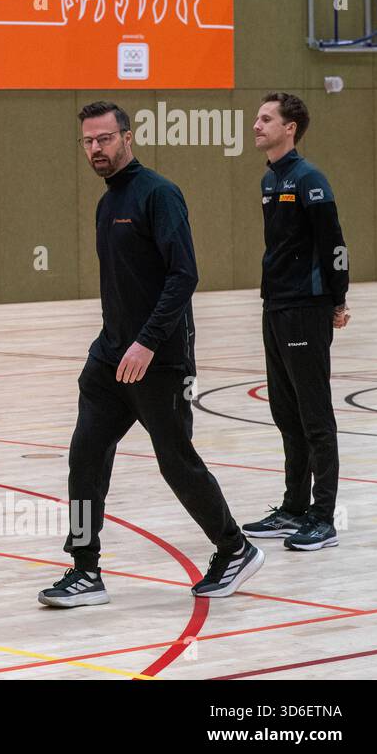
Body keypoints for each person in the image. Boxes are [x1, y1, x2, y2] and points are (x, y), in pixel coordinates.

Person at [38, 101, 262, 608]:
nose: (96, 149)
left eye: (105, 139)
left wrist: (147, 342)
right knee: (84, 458)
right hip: (109, 358)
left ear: (127, 137)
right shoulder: (106, 202)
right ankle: (84, 569)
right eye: (88, 142)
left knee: (176, 462)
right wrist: (116, 343)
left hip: (159, 360)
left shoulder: (159, 194)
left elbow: (184, 276)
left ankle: (234, 547)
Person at [241, 93, 349, 551]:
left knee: (315, 416)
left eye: (266, 119)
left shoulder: (309, 180)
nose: (256, 125)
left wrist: (337, 300)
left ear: (290, 128)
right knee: (285, 412)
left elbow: (334, 243)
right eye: (257, 117)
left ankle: (322, 518)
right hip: (276, 306)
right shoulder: (271, 179)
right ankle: (293, 508)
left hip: (307, 308)